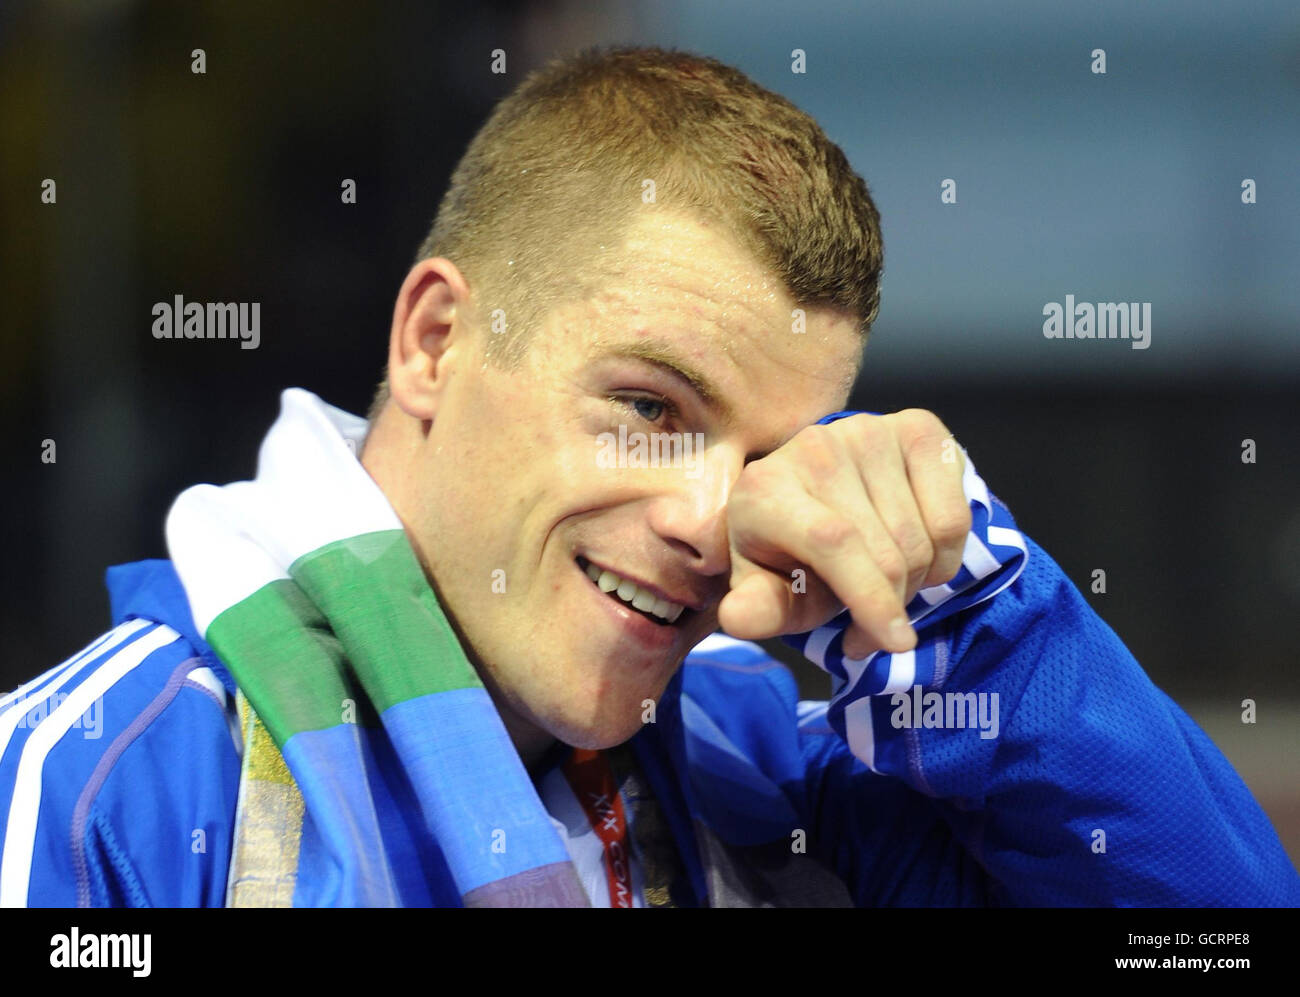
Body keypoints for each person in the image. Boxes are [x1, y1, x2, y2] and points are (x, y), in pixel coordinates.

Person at [2, 46, 1296, 908]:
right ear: (436, 343)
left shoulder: (769, 782)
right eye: (648, 408)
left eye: (771, 460)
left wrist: (978, 621)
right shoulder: (101, 787)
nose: (707, 522)